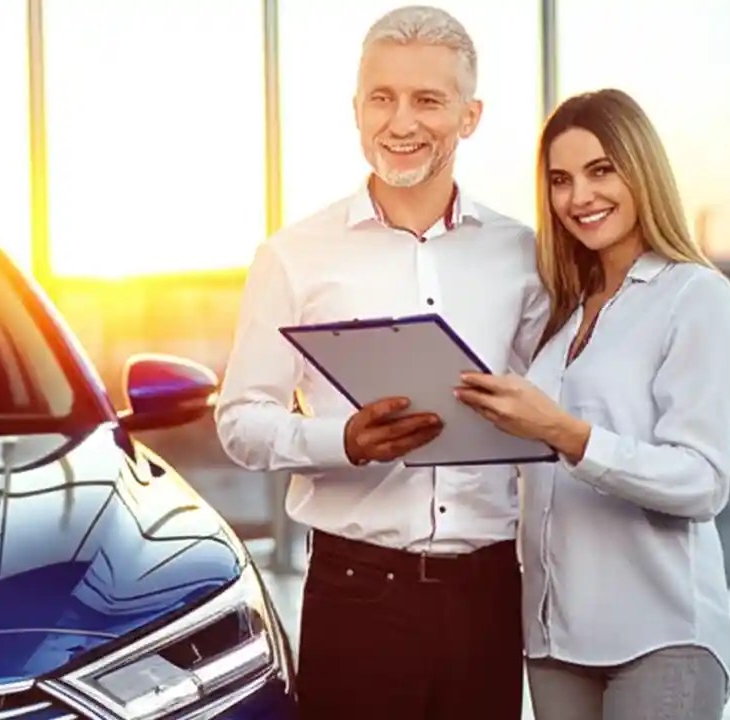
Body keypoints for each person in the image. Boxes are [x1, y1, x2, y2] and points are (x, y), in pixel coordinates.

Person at [214, 5, 548, 719]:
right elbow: (240, 419)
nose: (401, 121)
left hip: (487, 594)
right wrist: (341, 442)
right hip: (356, 593)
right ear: (356, 109)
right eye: (381, 97)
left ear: (470, 115)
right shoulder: (293, 255)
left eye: (428, 99)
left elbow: (551, 415)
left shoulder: (523, 257)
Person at [454, 88, 730, 719]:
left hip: (660, 634)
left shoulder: (696, 298)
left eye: (601, 170)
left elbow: (702, 480)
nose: (579, 197)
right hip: (553, 637)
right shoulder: (562, 318)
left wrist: (567, 433)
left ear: (641, 170)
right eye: (561, 180)